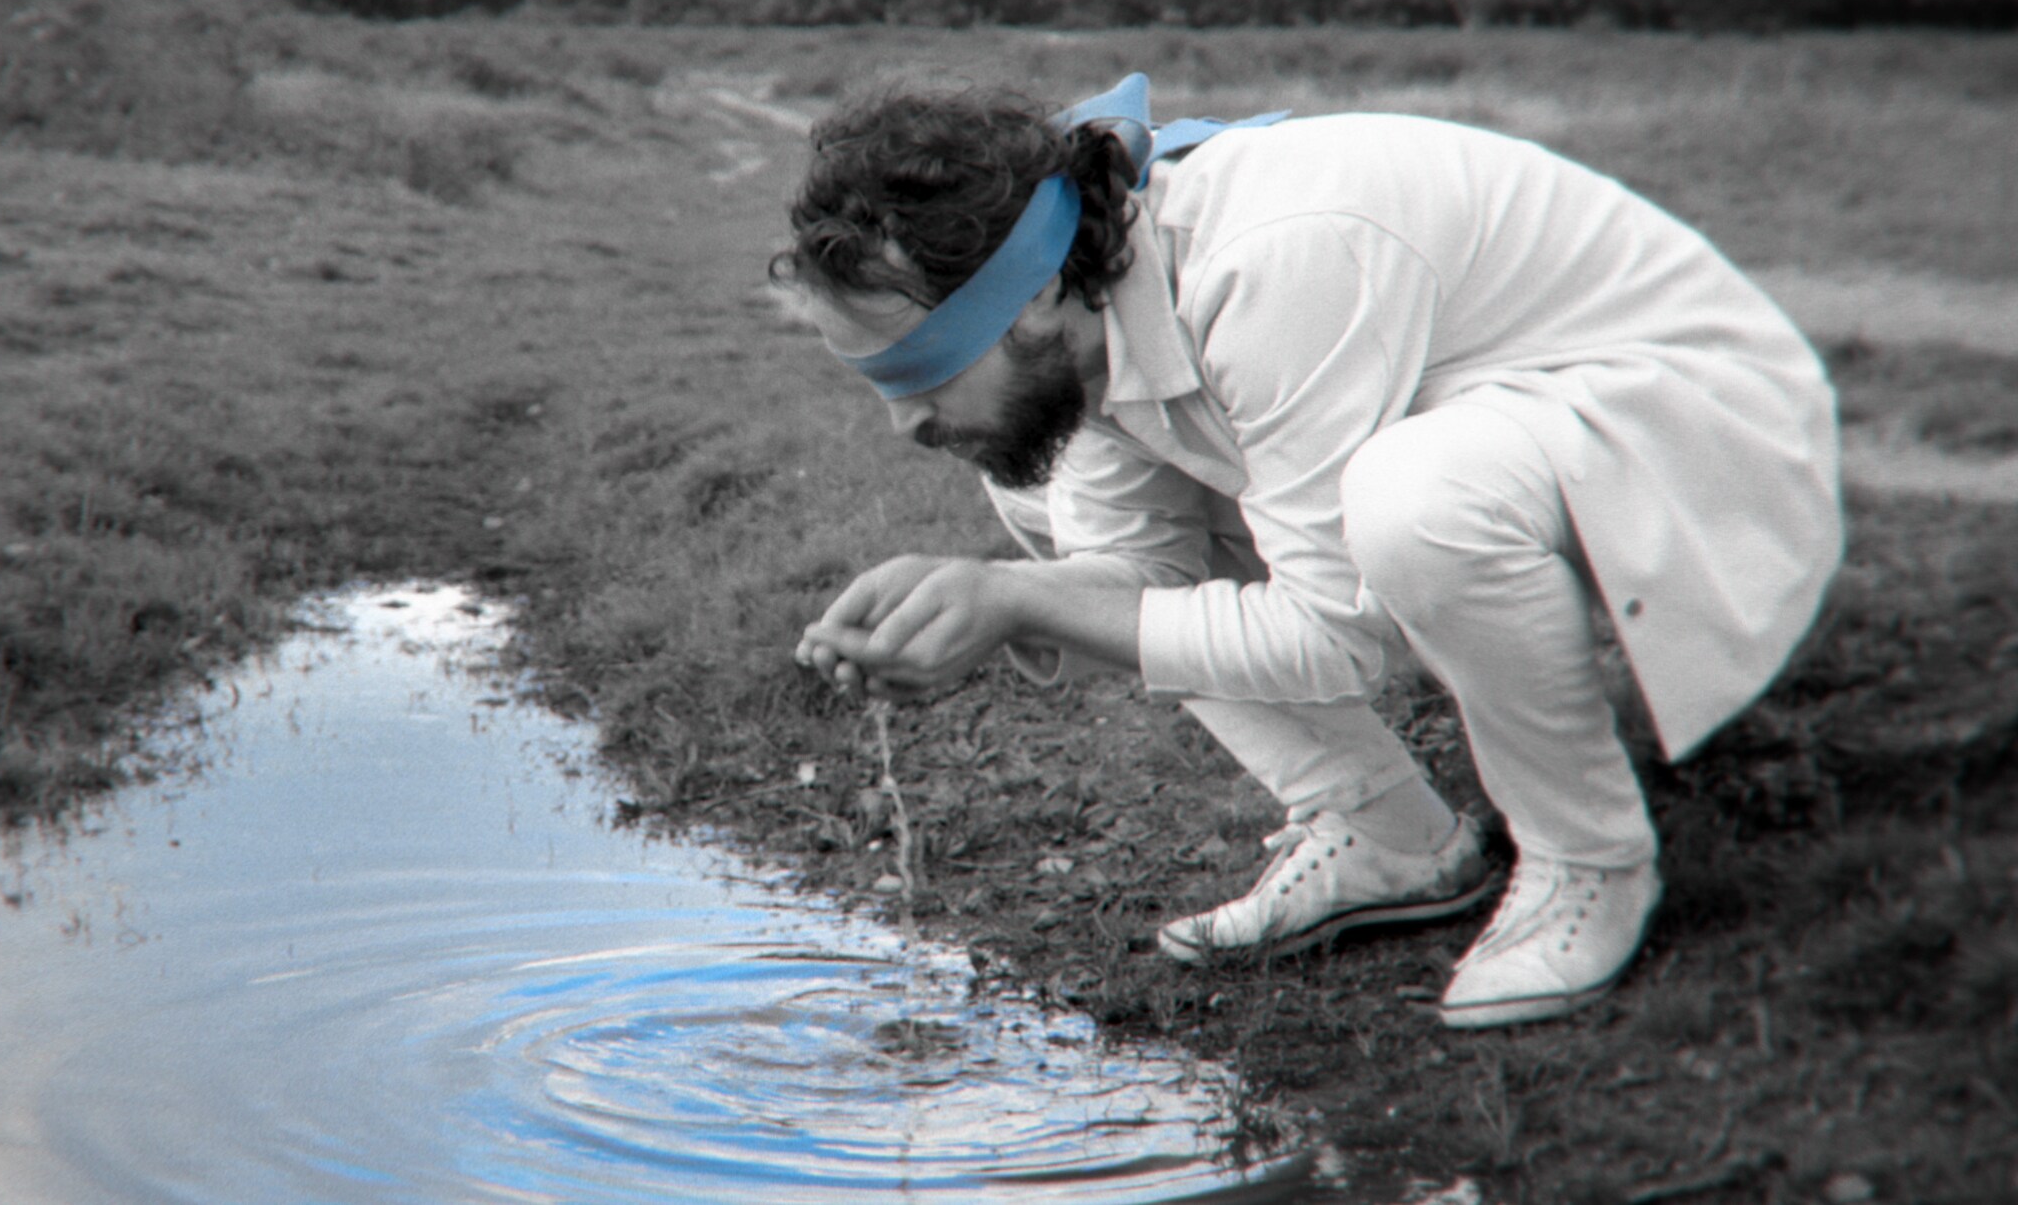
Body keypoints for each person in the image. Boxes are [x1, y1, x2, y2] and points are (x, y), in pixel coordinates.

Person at [776, 75, 1841, 1029]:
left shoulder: (1270, 258)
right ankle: (1386, 834)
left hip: (1687, 426)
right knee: (1038, 498)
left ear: (1034, 293)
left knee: (1414, 505)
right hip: (1510, 418)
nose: (902, 425)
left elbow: (1337, 638)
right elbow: (1134, 585)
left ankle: (1586, 858)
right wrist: (995, 595)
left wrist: (1021, 604)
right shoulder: (1093, 301)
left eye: (920, 372)